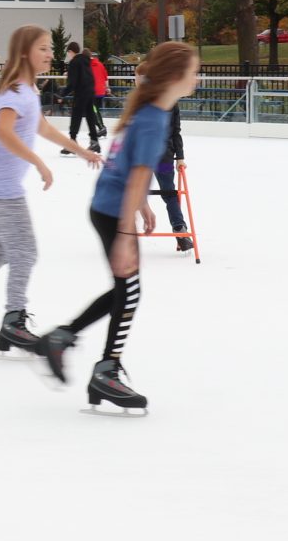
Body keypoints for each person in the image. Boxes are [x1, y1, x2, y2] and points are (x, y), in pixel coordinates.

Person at [42, 40, 202, 414]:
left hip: (108, 208)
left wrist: (142, 204)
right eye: (194, 70)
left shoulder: (150, 110)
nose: (197, 76)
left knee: (124, 290)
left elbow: (131, 169)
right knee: (129, 292)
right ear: (176, 76)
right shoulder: (153, 118)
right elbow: (137, 175)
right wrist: (126, 236)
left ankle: (67, 342)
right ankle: (104, 368)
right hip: (114, 213)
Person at [0, 27, 100, 358]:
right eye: (43, 48)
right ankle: (14, 320)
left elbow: (43, 128)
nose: (49, 54)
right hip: (0, 187)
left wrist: (81, 150)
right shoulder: (13, 92)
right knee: (24, 251)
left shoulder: (28, 90)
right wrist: (38, 161)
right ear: (24, 53)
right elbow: (4, 133)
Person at [155, 100, 193, 253]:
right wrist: (179, 157)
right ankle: (179, 227)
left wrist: (180, 158)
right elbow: (175, 131)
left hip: (143, 157)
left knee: (133, 191)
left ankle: (121, 233)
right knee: (169, 192)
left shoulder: (141, 99)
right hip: (163, 156)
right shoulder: (171, 100)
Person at [63, 42, 105, 152]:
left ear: (71, 51)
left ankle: (72, 142)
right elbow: (90, 78)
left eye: (68, 52)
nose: (68, 55)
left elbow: (72, 82)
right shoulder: (86, 62)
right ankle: (94, 141)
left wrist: (61, 94)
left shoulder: (74, 62)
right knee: (90, 117)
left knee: (75, 117)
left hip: (81, 94)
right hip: (90, 93)